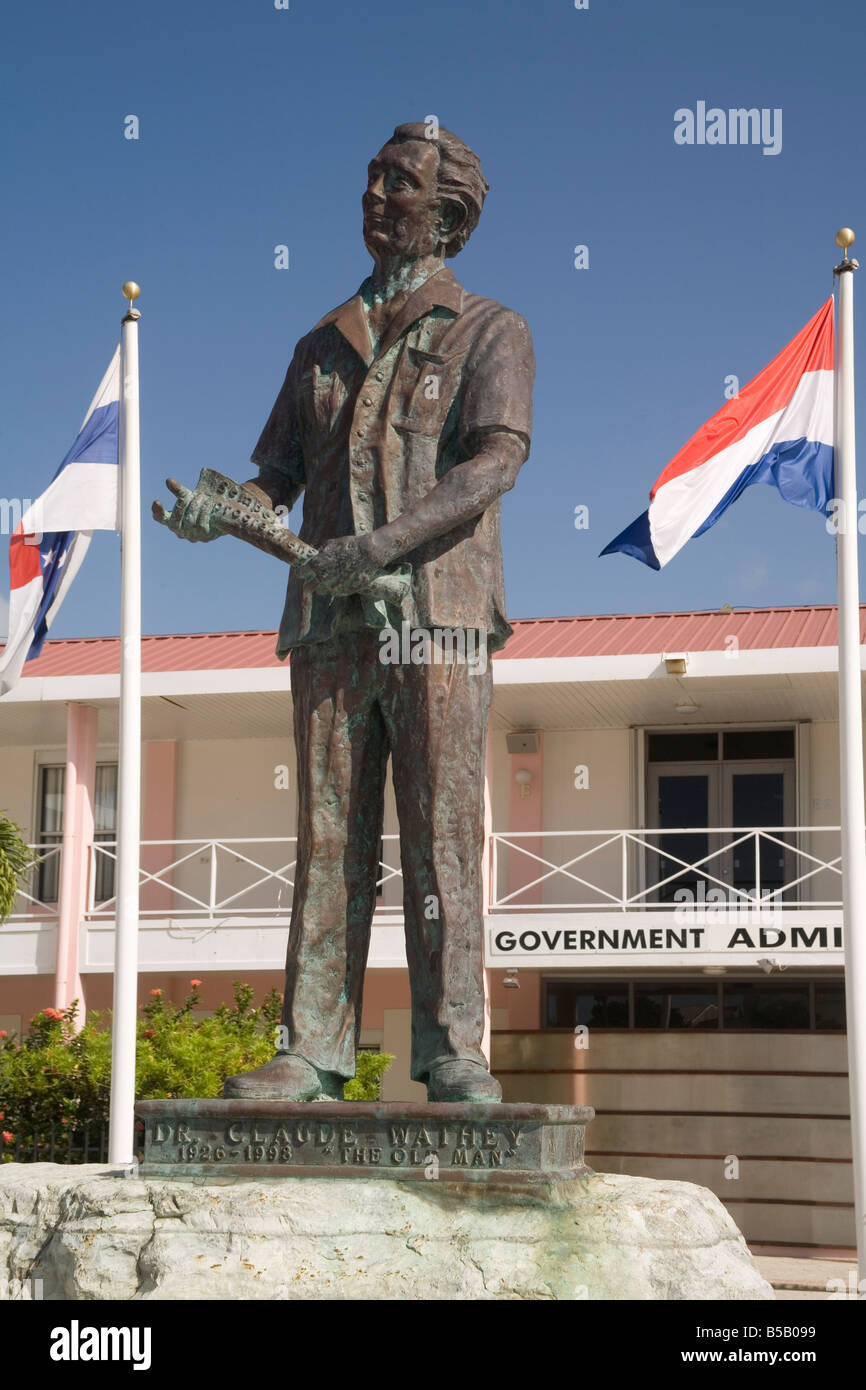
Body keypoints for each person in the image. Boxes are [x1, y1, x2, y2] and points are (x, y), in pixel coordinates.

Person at [165, 123, 534, 1102]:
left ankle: (454, 1047)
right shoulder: (317, 348)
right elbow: (276, 479)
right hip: (329, 621)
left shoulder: (487, 330)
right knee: (328, 834)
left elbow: (494, 461)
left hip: (437, 611)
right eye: (370, 177)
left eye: (398, 181)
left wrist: (382, 545)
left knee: (439, 832)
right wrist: (225, 511)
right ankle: (311, 1046)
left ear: (445, 213)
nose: (374, 193)